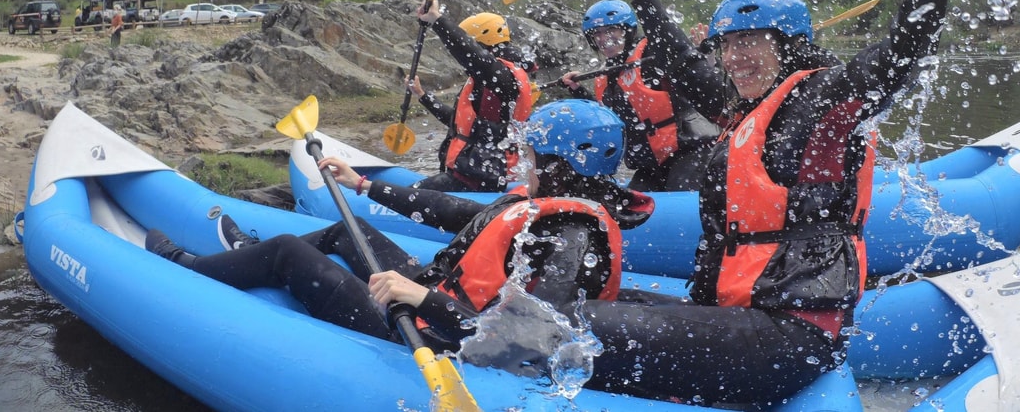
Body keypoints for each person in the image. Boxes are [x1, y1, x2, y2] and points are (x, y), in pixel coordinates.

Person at [543, 0, 951, 406]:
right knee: (566, 297)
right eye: (728, 45)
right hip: (736, 315)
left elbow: (908, 41)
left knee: (554, 322)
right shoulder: (745, 106)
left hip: (789, 335)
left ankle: (444, 322)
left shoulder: (824, 102)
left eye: (751, 42)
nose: (734, 57)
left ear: (789, 45)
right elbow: (685, 62)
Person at [146, 100, 653, 368]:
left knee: (284, 252)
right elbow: (458, 213)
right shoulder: (548, 206)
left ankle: (187, 265)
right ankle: (247, 256)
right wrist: (365, 184)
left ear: (561, 164)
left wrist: (421, 298)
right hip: (438, 294)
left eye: (534, 155)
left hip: (434, 332)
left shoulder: (570, 238)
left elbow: (530, 337)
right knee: (352, 229)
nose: (525, 162)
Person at [560, 0, 718, 191]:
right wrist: (578, 90)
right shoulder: (606, 75)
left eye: (611, 30)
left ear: (627, 31)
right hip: (651, 164)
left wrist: (703, 56)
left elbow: (671, 46)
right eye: (597, 34)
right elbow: (606, 121)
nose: (604, 38)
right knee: (632, 211)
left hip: (689, 152)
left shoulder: (652, 55)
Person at [409, 1, 535, 192]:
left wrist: (437, 19)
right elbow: (458, 123)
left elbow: (470, 54)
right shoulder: (489, 78)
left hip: (480, 180)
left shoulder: (503, 78)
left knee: (401, 197)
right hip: (469, 175)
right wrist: (422, 95)